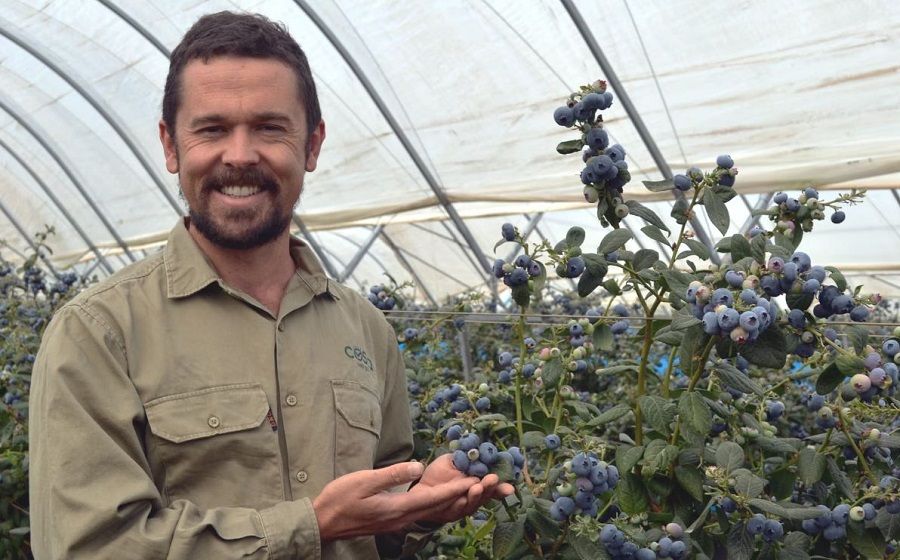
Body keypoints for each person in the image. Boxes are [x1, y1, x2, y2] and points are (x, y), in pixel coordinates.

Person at [29, 11, 513, 559]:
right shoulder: (99, 334)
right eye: (211, 129)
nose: (239, 155)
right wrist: (310, 525)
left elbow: (379, 519)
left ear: (311, 145)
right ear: (170, 146)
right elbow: (88, 547)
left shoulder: (364, 327)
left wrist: (414, 507)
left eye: (269, 127)